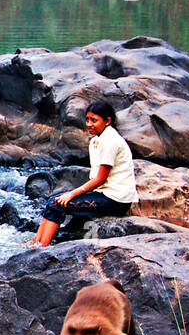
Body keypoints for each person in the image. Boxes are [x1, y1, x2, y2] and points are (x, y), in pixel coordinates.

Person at [30, 99, 138, 246]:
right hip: (105, 195)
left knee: (57, 205)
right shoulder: (98, 139)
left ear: (107, 121)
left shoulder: (111, 141)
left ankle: (41, 248)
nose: (89, 124)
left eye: (94, 120)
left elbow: (100, 179)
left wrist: (72, 193)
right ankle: (35, 243)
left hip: (116, 200)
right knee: (53, 202)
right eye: (87, 119)